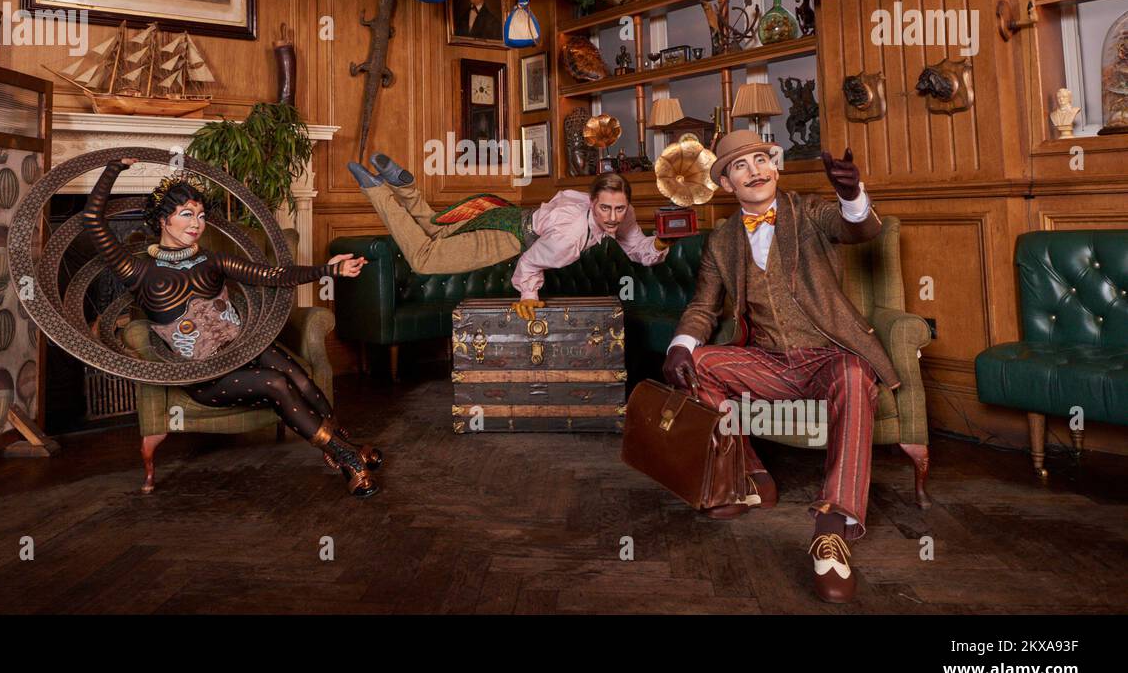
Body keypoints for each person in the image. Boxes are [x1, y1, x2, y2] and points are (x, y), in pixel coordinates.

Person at [660, 130, 891, 603]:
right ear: (727, 183)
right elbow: (703, 307)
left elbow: (859, 229)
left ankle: (832, 529)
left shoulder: (808, 211)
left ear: (776, 166)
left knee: (853, 373)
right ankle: (750, 477)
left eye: (762, 158)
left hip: (829, 356)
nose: (756, 170)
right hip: (770, 361)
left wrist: (851, 195)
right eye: (741, 166)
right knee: (700, 362)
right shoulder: (723, 240)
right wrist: (680, 347)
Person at [82, 158, 382, 497]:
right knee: (276, 383)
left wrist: (329, 271)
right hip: (206, 375)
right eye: (186, 214)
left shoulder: (213, 260)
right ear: (164, 220)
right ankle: (347, 459)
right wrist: (113, 168)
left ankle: (343, 444)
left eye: (201, 216)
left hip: (246, 351)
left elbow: (273, 275)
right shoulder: (137, 272)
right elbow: (92, 220)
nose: (197, 223)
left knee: (297, 373)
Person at [349, 154, 668, 320]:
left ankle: (402, 183)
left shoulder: (617, 212)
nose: (613, 218)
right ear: (593, 201)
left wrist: (661, 241)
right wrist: (528, 296)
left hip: (499, 210)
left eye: (619, 209)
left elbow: (636, 246)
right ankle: (377, 190)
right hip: (506, 236)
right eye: (605, 209)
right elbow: (528, 263)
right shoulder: (570, 239)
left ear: (626, 204)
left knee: (435, 228)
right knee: (424, 258)